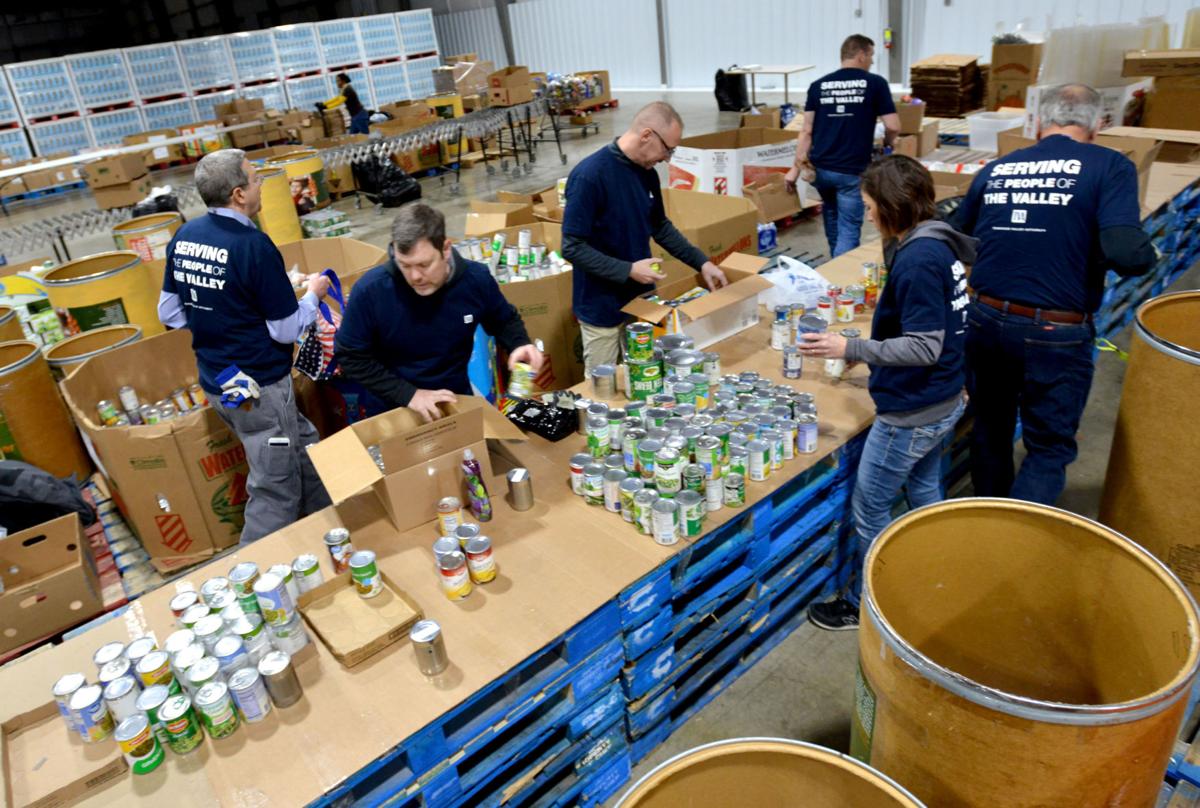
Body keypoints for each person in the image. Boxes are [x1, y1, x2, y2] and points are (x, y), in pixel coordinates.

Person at [951, 84, 1156, 506]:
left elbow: (956, 236)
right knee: (1048, 448)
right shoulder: (1110, 166)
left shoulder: (998, 168)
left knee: (991, 432)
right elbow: (1127, 252)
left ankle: (988, 524)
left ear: (1039, 123)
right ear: (1098, 124)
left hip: (986, 321)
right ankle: (1022, 549)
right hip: (1054, 332)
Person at [802, 155, 974, 631]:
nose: (868, 214)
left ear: (892, 206)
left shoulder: (918, 258)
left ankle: (871, 602)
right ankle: (933, 569)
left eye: (871, 205)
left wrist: (850, 344)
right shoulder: (937, 238)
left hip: (913, 411)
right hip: (944, 396)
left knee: (871, 506)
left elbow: (923, 344)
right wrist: (872, 352)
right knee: (922, 487)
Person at [157, 148, 333, 544]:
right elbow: (286, 330)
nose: (260, 186)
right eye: (256, 179)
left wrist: (222, 320)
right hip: (261, 391)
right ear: (238, 194)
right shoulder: (254, 246)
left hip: (220, 382)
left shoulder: (185, 237)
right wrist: (314, 296)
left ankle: (329, 528)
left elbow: (169, 312)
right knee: (275, 486)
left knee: (305, 447)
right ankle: (254, 571)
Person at [335, 203, 543, 422]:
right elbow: (350, 356)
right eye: (405, 265)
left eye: (424, 265)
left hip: (454, 402)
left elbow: (504, 320)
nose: (415, 276)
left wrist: (519, 343)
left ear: (445, 249)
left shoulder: (475, 280)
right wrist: (409, 395)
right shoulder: (371, 291)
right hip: (393, 410)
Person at [562, 101, 728, 374]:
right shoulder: (590, 177)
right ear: (647, 135)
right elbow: (572, 247)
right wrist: (627, 270)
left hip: (640, 303)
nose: (667, 159)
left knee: (642, 379)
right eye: (668, 149)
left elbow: (659, 226)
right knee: (603, 389)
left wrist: (702, 263)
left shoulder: (646, 174)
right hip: (601, 307)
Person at [785, 34, 900, 257]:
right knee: (848, 228)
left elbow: (806, 130)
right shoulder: (875, 83)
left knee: (832, 216)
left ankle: (832, 269)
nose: (872, 62)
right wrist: (887, 143)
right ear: (861, 55)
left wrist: (794, 169)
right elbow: (893, 125)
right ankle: (840, 277)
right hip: (851, 171)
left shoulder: (818, 86)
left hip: (821, 170)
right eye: (871, 56)